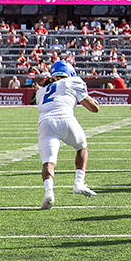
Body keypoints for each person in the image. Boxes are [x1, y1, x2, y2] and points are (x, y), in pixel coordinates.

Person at [37, 60, 99, 209]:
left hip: (45, 122)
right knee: (81, 146)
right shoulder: (74, 81)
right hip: (65, 118)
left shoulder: (41, 90)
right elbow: (93, 108)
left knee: (48, 162)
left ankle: (49, 192)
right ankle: (79, 183)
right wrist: (94, 103)